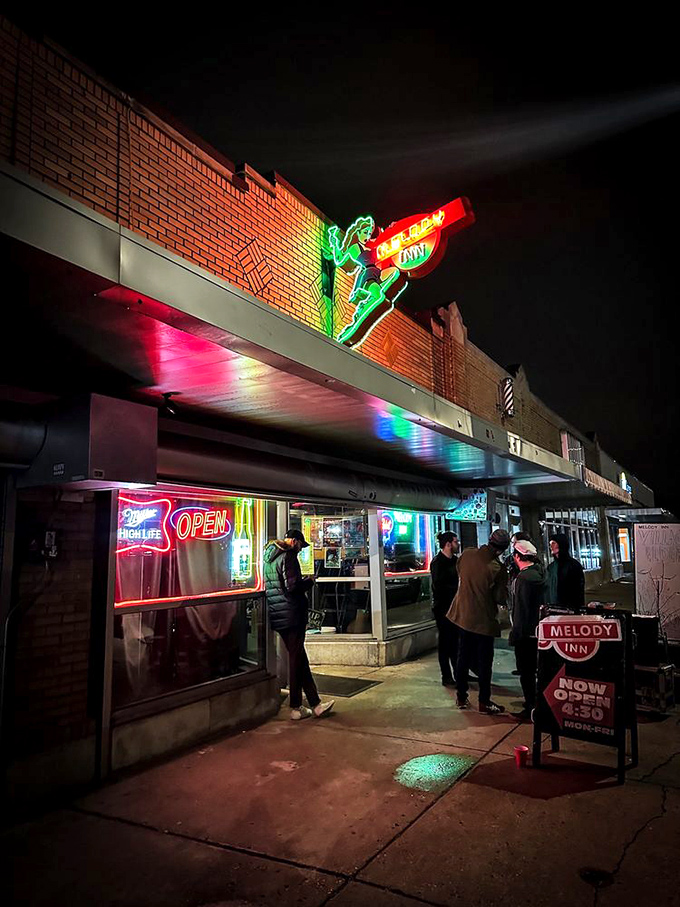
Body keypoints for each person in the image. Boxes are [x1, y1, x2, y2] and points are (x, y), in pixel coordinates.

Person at [264, 528, 334, 720]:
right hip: (292, 614)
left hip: (279, 615)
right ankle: (296, 706)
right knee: (296, 661)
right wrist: (309, 581)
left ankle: (315, 704)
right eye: (301, 546)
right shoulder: (288, 557)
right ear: (294, 541)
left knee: (299, 659)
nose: (301, 550)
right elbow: (292, 586)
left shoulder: (269, 557)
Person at [448, 528, 510, 715]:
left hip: (462, 615)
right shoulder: (497, 568)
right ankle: (484, 701)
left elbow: (459, 571)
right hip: (483, 620)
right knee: (485, 662)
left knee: (462, 656)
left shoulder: (467, 554)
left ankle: (461, 696)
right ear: (502, 549)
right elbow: (500, 598)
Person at [508, 539, 545, 720]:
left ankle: (530, 706)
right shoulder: (540, 573)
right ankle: (534, 703)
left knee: (526, 672)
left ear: (517, 556)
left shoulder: (523, 579)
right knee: (536, 670)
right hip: (539, 631)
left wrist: (516, 634)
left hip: (526, 633)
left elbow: (520, 610)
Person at [430, 531, 460, 687]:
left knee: (456, 642)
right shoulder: (437, 562)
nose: (457, 544)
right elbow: (438, 586)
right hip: (443, 608)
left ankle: (459, 672)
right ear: (448, 544)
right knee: (445, 642)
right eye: (456, 542)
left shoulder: (456, 561)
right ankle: (446, 675)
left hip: (456, 607)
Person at [546, 532, 585, 610]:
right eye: (550, 543)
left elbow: (578, 591)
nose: (551, 546)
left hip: (569, 609)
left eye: (553, 543)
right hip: (553, 608)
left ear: (561, 544)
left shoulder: (574, 566)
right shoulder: (551, 567)